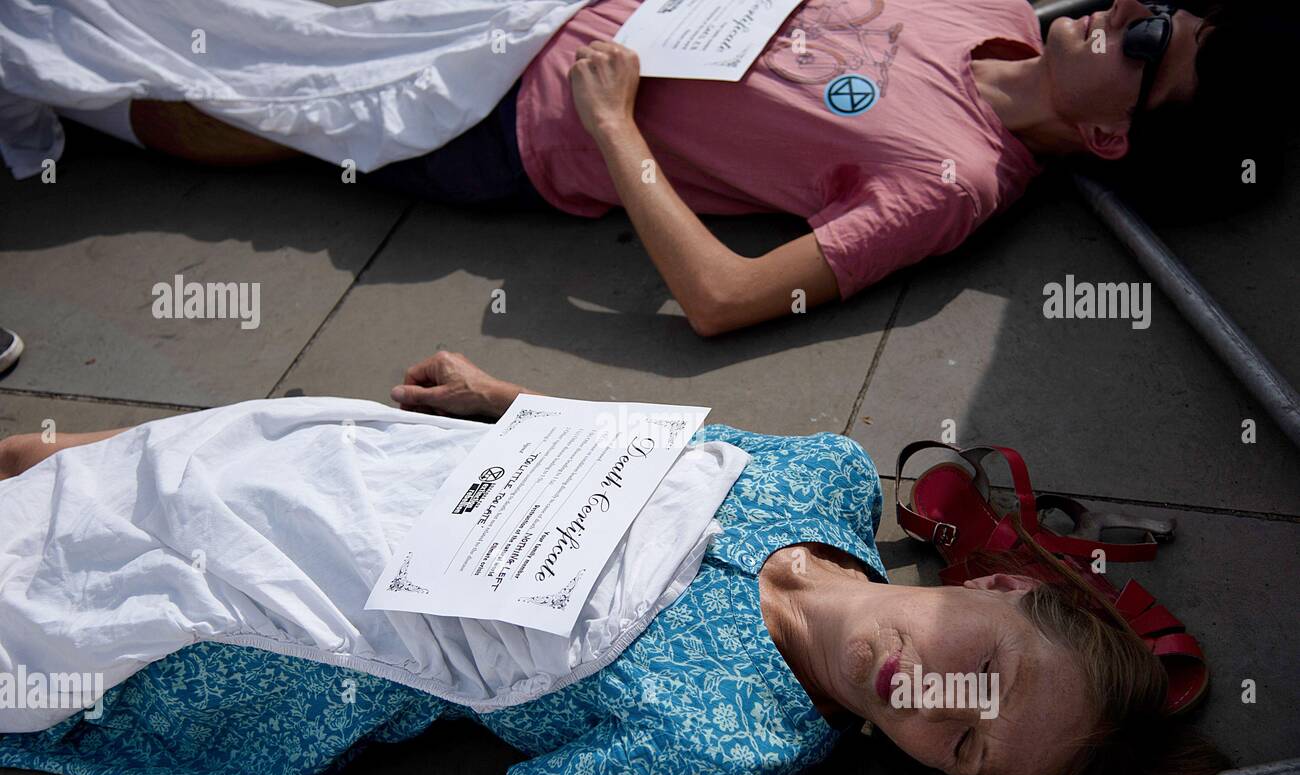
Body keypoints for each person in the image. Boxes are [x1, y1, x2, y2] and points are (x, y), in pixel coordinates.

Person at [0, 351, 1227, 775]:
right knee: (30, 456)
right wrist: (504, 400)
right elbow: (647, 451)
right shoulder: (827, 472)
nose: (937, 705)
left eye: (965, 746)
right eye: (989, 673)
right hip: (306, 456)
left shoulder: (714, 763)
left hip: (224, 628)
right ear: (1005, 588)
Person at [94, 0, 1271, 336]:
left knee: (201, 83)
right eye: (1157, 6)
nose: (1129, 9)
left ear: (1116, 138)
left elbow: (721, 300)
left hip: (511, 115)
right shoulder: (993, 5)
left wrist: (615, 130)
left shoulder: (952, 178)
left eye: (1149, 43)